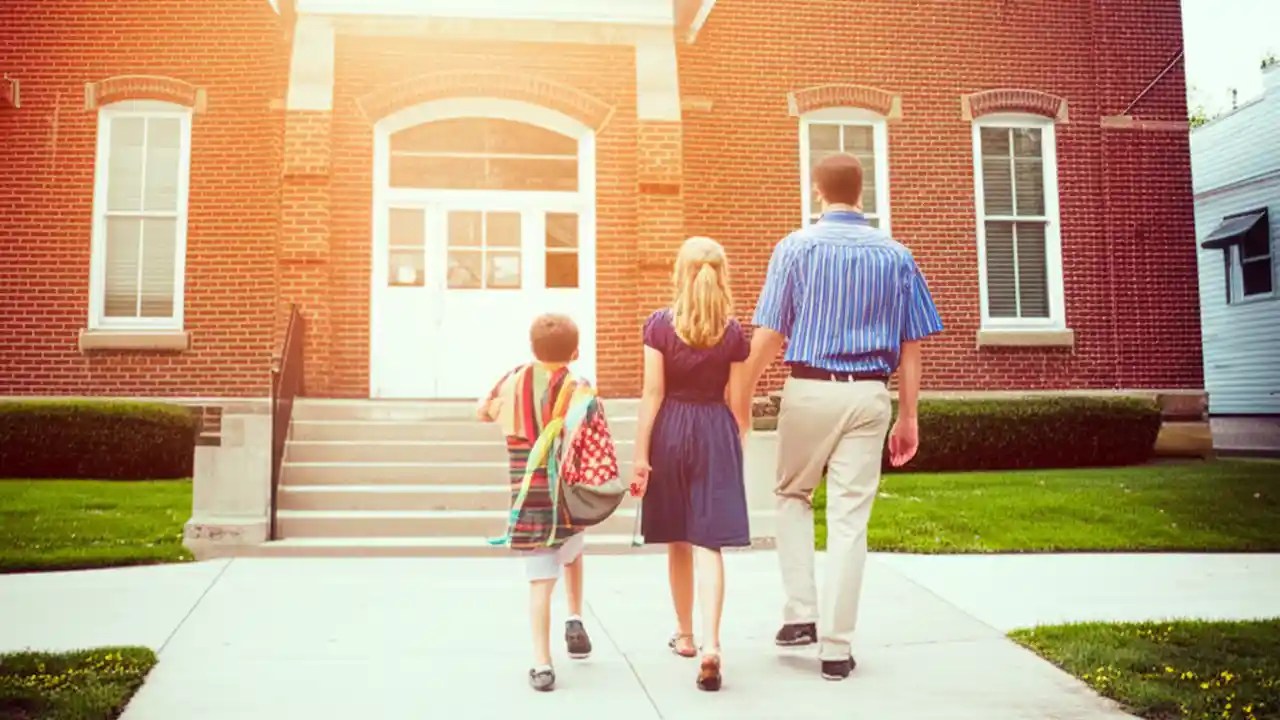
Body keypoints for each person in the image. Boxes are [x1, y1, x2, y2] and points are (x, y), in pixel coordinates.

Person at [743, 153, 944, 681]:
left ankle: (800, 614)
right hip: (870, 397)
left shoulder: (795, 248)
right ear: (862, 191)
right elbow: (911, 346)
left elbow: (769, 333)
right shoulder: (897, 255)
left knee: (791, 495)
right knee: (850, 522)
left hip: (808, 389)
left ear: (817, 190)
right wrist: (909, 418)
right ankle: (836, 647)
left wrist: (737, 387)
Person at [631, 236, 753, 692]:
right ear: (721, 274)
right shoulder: (735, 332)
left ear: (680, 273)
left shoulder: (659, 326)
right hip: (714, 430)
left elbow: (652, 394)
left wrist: (641, 455)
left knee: (678, 539)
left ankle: (685, 634)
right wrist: (734, 446)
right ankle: (712, 644)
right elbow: (738, 405)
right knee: (710, 541)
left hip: (670, 431)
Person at [477, 313, 601, 692]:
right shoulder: (580, 388)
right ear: (576, 350)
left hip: (529, 501)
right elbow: (593, 433)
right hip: (569, 500)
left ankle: (542, 663)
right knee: (575, 550)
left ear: (532, 348)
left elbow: (482, 411)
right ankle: (575, 616)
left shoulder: (513, 381)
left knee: (540, 583)